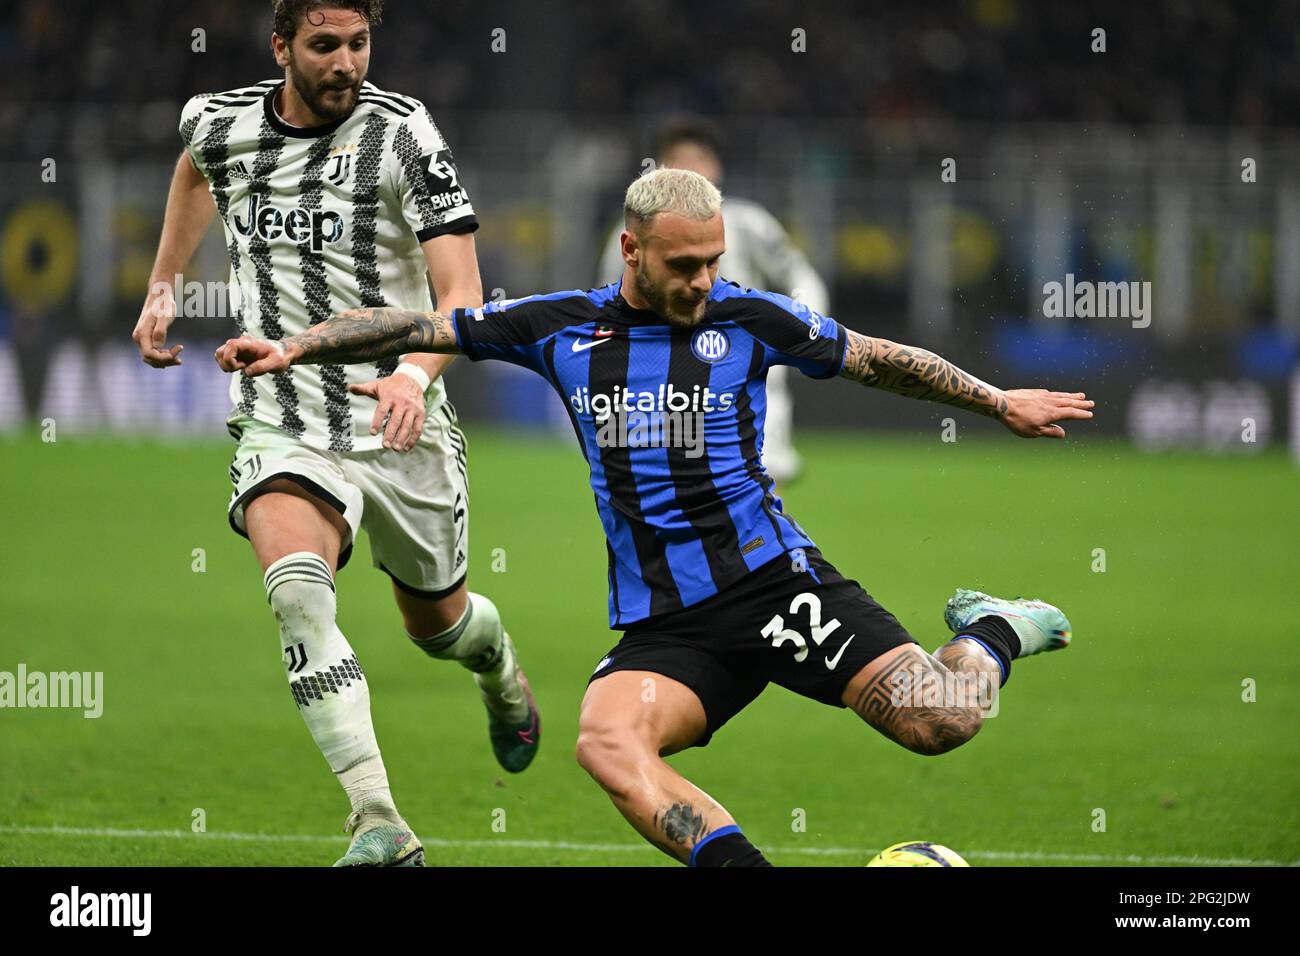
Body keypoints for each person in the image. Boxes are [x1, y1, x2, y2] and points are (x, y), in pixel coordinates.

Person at [215, 167, 1093, 866]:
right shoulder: (560, 328)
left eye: (713, 260)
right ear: (631, 251)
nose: (704, 279)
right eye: (683, 265)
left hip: (775, 586)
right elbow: (415, 322)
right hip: (667, 624)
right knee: (604, 741)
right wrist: (294, 345)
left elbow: (878, 359)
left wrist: (994, 400)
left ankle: (994, 630)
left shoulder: (751, 318)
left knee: (939, 723)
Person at [131, 0, 539, 867]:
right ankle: (378, 820)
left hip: (400, 421)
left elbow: (463, 295)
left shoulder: (404, 136)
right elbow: (196, 171)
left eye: (358, 43)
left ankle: (499, 670)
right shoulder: (221, 122)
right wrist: (165, 281)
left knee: (440, 627)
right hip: (283, 419)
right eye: (323, 46)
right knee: (298, 593)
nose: (345, 62)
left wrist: (411, 373)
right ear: (281, 46)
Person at [598, 119, 828, 483]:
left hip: (742, 358)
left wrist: (798, 329)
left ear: (715, 168)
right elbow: (610, 299)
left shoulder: (749, 221)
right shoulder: (632, 236)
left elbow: (801, 278)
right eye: (678, 163)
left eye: (699, 161)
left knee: (759, 474)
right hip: (663, 369)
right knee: (668, 477)